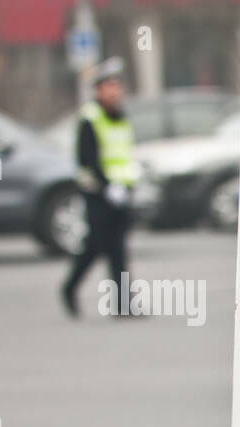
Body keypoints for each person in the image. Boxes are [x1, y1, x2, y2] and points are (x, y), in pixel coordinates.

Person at [60, 57, 139, 318]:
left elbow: (124, 154)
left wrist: (126, 186)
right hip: (97, 194)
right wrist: (108, 187)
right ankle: (69, 287)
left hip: (121, 192)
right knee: (95, 247)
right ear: (98, 90)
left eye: (117, 86)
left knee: (118, 250)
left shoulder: (121, 117)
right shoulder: (90, 118)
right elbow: (88, 160)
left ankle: (124, 304)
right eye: (109, 86)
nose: (115, 91)